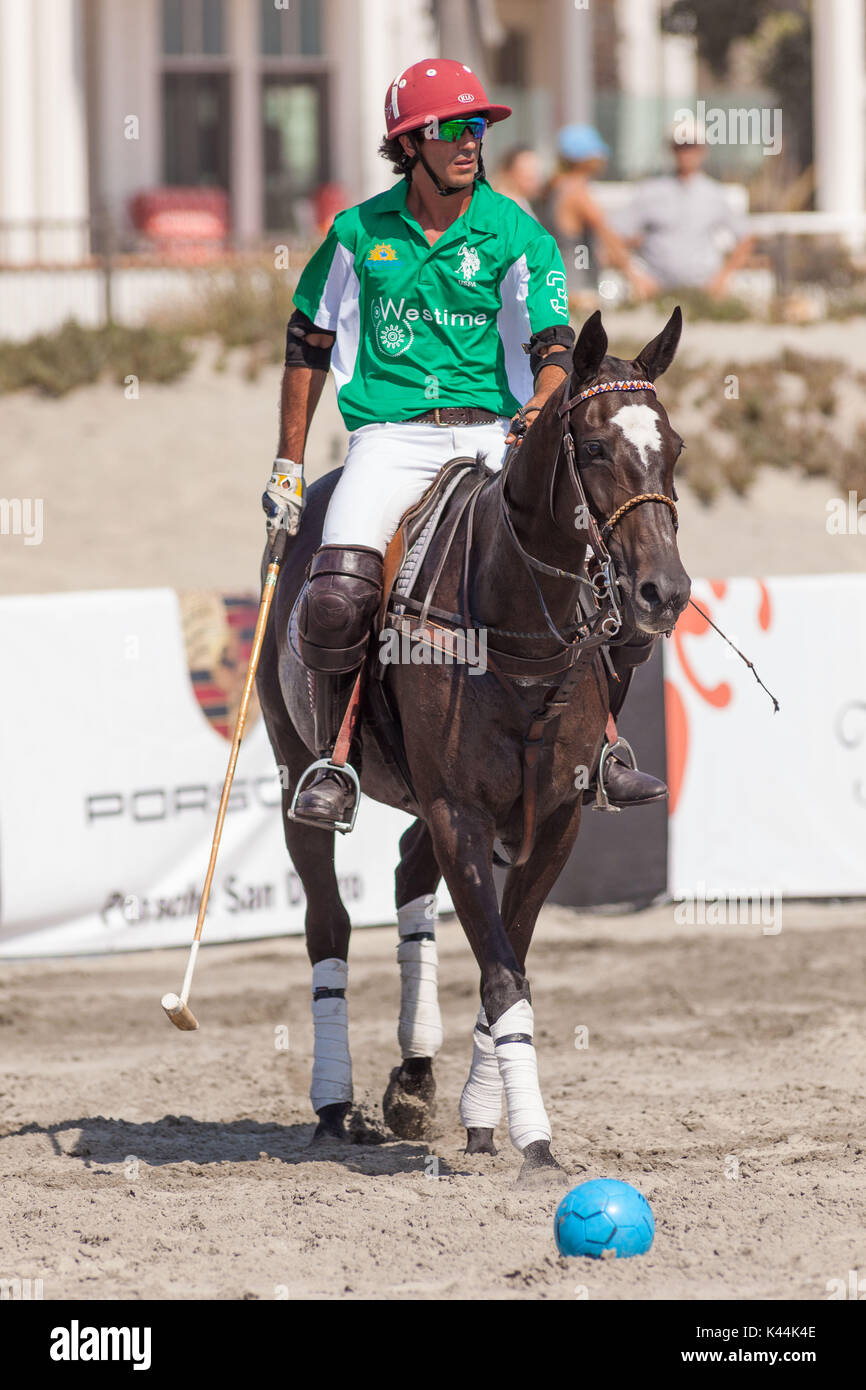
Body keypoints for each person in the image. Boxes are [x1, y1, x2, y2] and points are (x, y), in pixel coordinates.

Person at [261, 58, 666, 830]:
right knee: (337, 597)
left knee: (598, 577)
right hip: (386, 440)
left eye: (477, 127)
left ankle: (606, 745)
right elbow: (307, 340)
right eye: (452, 129)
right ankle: (335, 762)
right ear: (410, 143)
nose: (470, 142)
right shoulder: (357, 233)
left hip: (492, 435)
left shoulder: (516, 231)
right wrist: (287, 463)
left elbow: (554, 342)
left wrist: (541, 405)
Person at [615, 122, 755, 298]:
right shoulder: (650, 192)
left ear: (703, 150)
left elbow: (746, 238)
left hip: (701, 296)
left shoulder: (714, 194)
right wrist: (635, 276)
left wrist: (722, 278)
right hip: (657, 295)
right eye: (681, 146)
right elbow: (613, 234)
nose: (686, 153)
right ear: (671, 150)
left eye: (691, 146)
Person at [544, 124, 657, 301]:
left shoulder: (557, 187)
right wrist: (635, 275)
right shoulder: (577, 192)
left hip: (559, 284)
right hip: (576, 288)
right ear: (585, 158)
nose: (603, 158)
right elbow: (606, 234)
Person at [493, 144, 543, 216]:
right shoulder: (508, 205)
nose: (535, 177)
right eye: (528, 170)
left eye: (536, 170)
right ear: (510, 172)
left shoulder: (520, 201)